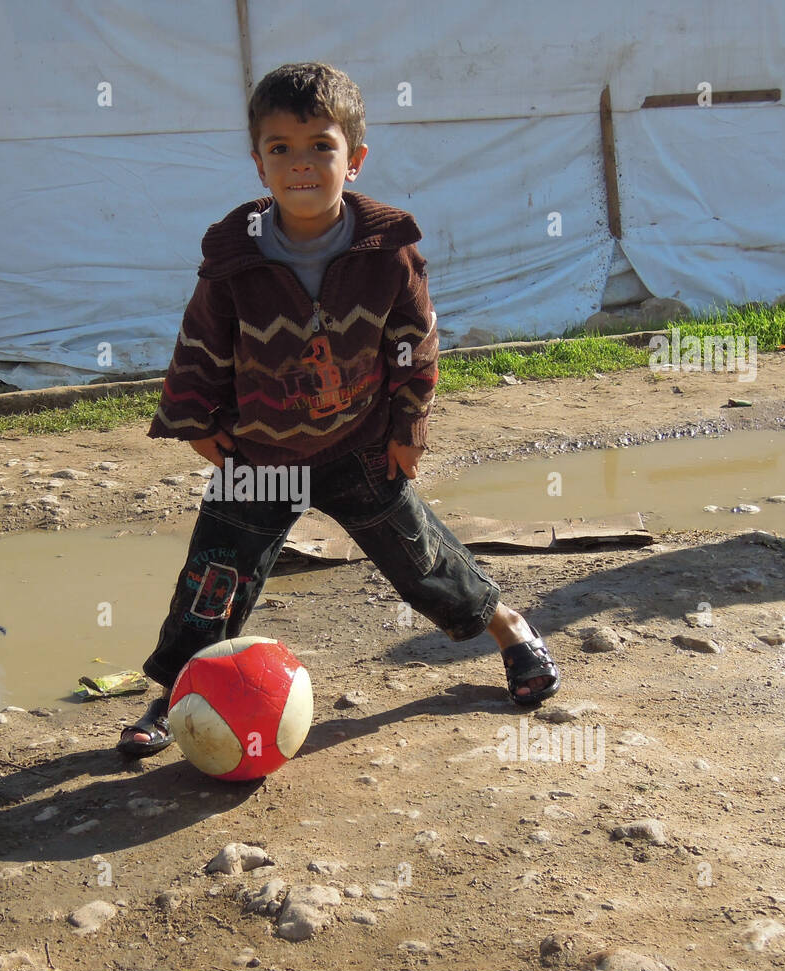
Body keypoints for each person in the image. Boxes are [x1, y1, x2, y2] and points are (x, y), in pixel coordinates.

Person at [118, 61, 560, 758]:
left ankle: (509, 627)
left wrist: (409, 426)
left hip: (357, 442)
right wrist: (196, 419)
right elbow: (201, 341)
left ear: (353, 159)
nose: (301, 165)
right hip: (260, 453)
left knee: (419, 558)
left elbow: (415, 344)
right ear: (259, 164)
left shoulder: (386, 253)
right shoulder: (234, 263)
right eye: (281, 149)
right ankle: (174, 692)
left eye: (320, 146)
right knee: (215, 578)